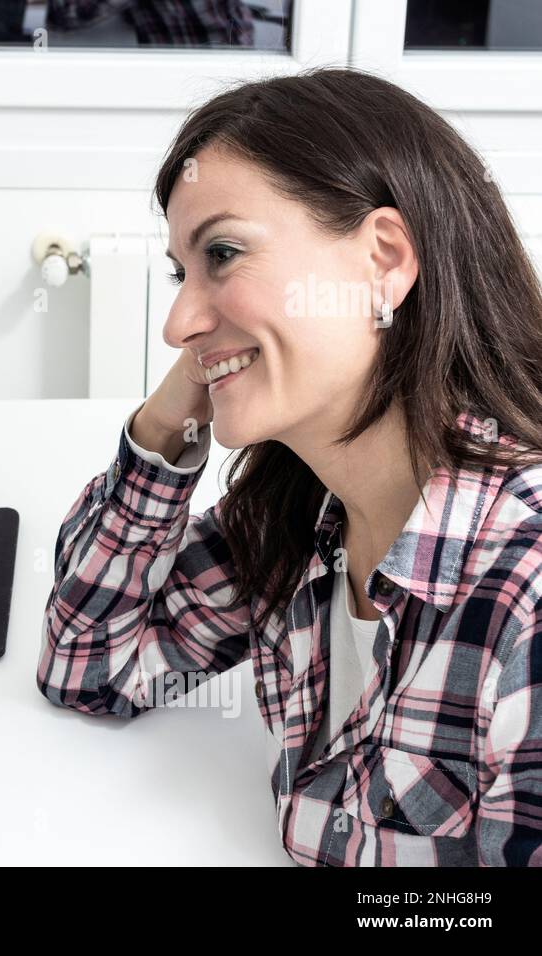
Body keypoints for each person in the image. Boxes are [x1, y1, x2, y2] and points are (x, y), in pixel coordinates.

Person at [37, 68, 542, 866]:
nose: (176, 323)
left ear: (383, 260)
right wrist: (166, 424)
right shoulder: (305, 513)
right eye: (181, 274)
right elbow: (92, 666)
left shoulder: (524, 597)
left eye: (224, 253)